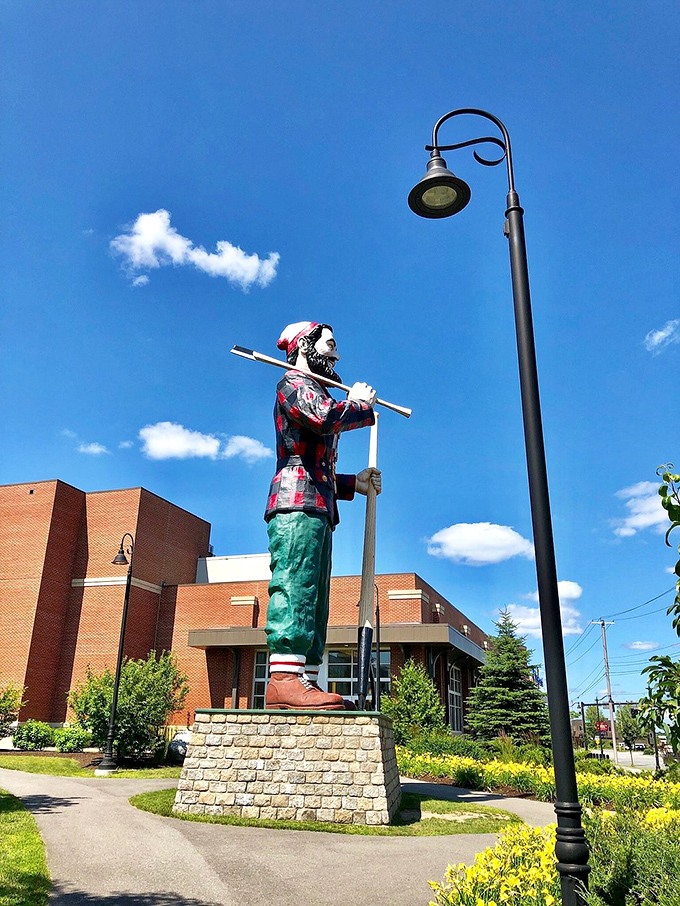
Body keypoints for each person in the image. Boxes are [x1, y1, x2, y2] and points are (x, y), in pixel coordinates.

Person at [264, 321, 381, 709]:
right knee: (295, 583)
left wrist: (354, 484)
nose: (336, 355)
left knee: (315, 596)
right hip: (295, 503)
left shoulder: (315, 388)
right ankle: (282, 679)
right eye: (330, 345)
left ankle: (305, 682)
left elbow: (320, 466)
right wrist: (362, 407)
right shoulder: (294, 385)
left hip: (317, 504)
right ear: (305, 347)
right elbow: (325, 417)